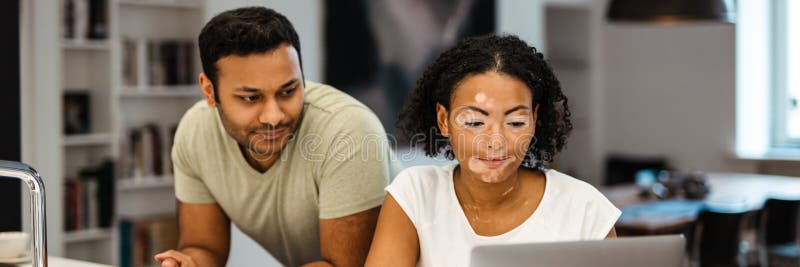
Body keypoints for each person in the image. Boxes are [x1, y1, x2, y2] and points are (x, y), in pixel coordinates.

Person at [154, 7, 400, 267]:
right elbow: (204, 246)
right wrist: (190, 263)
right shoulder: (195, 132)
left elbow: (344, 266)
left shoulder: (348, 131)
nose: (273, 116)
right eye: (251, 98)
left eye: (288, 91)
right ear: (209, 91)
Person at [365, 34, 621, 267]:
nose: (496, 141)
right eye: (475, 122)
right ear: (444, 121)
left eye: (515, 123)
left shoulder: (584, 208)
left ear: (534, 119)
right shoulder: (415, 194)